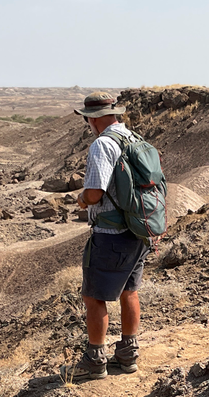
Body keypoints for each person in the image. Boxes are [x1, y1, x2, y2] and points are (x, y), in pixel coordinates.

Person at [61, 92, 151, 381]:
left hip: (111, 234)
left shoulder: (103, 144)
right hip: (138, 229)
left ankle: (95, 361)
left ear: (92, 119)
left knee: (93, 297)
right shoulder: (133, 138)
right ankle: (128, 354)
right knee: (129, 291)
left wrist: (82, 199)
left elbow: (95, 192)